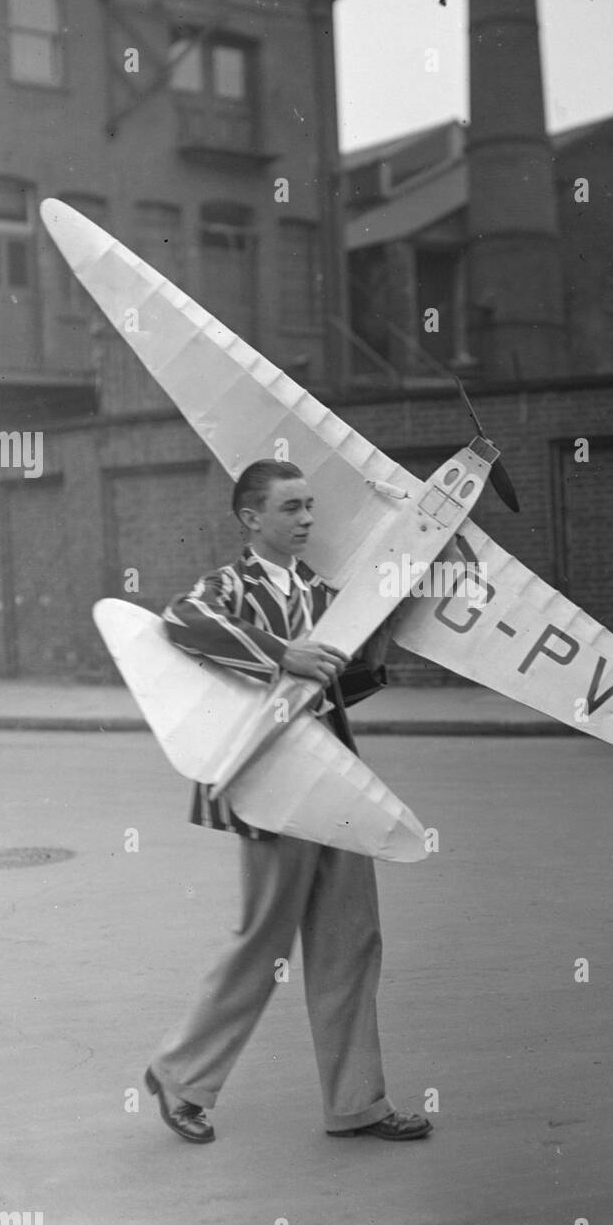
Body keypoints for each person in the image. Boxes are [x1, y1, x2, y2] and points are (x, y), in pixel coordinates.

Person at [144, 459, 432, 1144]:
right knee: (264, 939)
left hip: (332, 777)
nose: (307, 519)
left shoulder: (321, 591)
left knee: (351, 938)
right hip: (268, 786)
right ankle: (180, 1078)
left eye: (309, 507)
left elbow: (345, 682)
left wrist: (386, 627)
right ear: (252, 519)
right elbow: (178, 623)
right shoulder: (227, 585)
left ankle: (357, 1102)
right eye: (291, 508)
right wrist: (282, 654)